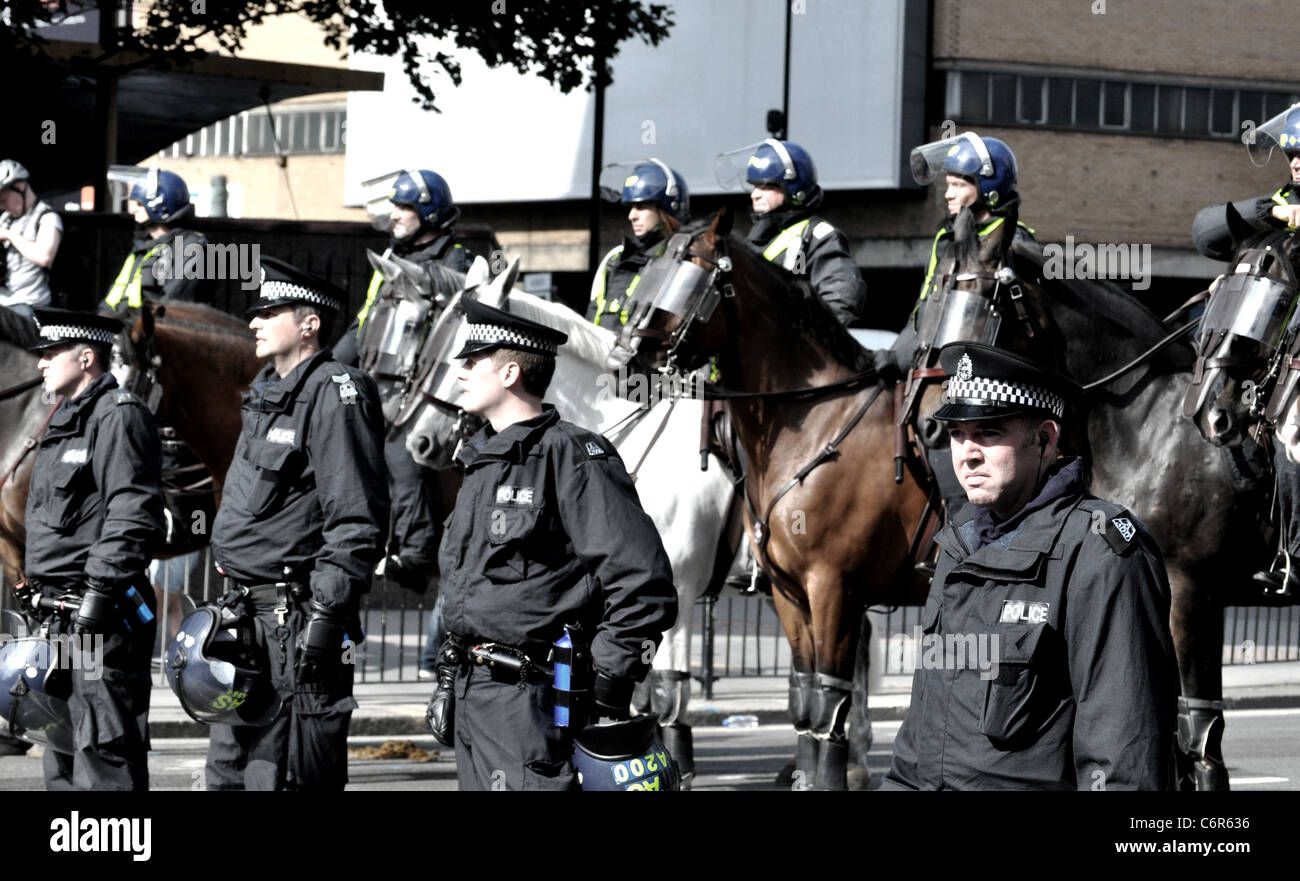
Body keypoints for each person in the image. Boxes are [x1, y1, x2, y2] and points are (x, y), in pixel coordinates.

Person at [882, 341, 1179, 790]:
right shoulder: (961, 540)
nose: (967, 453)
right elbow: (919, 742)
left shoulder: (1101, 550)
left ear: (1044, 437)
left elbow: (1127, 757)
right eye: (958, 433)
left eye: (989, 432)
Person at [433, 298, 677, 790]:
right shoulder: (482, 459)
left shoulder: (571, 455)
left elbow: (643, 580)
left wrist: (609, 681)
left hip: (534, 700)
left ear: (510, 373)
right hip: (474, 693)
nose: (460, 370)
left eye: (474, 359)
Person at [205, 256, 389, 790]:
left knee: (283, 774)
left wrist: (327, 617)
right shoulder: (266, 392)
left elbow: (356, 516)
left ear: (309, 324)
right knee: (229, 773)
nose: (254, 322)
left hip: (295, 621)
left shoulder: (336, 391)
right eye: (254, 312)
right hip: (245, 619)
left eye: (269, 310)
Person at [24, 308, 164, 789]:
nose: (41, 362)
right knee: (60, 744)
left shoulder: (118, 415)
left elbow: (132, 512)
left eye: (51, 353)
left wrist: (99, 593)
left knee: (102, 745)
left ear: (86, 358)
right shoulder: (63, 420)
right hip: (62, 614)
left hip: (98, 619)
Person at [335, 169, 471, 634]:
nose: (395, 215)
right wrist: (328, 370)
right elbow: (365, 321)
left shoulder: (459, 259)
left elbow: (458, 330)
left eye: (405, 207)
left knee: (401, 449)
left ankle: (413, 554)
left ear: (429, 211)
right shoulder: (393, 257)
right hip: (384, 377)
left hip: (437, 386)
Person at [892, 132, 1033, 518]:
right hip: (934, 375)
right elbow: (925, 311)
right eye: (947, 185)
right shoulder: (947, 240)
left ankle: (962, 549)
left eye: (958, 185)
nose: (948, 194)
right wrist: (892, 357)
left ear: (986, 189)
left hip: (987, 393)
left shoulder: (1016, 244)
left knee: (960, 479)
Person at [1191, 103, 1300, 597]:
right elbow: (1205, 231)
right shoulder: (1279, 206)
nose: (1295, 162)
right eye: (1291, 152)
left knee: (1293, 428)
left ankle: (1294, 555)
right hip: (1263, 348)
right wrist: (1271, 212)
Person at [715, 138, 865, 326]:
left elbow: (841, 297)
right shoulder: (754, 243)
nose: (755, 194)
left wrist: (803, 343)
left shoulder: (818, 236)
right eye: (754, 186)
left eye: (766, 186)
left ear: (795, 190)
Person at [588, 158, 690, 328]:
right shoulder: (615, 258)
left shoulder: (682, 262)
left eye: (641, 207)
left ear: (668, 207)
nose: (632, 216)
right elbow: (592, 315)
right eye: (631, 207)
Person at [101, 166, 214, 315]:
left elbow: (170, 307)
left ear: (161, 206)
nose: (134, 209)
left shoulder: (191, 247)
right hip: (121, 330)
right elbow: (114, 296)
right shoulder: (143, 247)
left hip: (148, 334)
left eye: (140, 203)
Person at [0, 159, 62, 319]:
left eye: (4, 200)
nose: (2, 207)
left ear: (20, 187)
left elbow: (44, 257)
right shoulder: (6, 218)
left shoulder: (47, 217)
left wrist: (9, 235)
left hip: (29, 306)